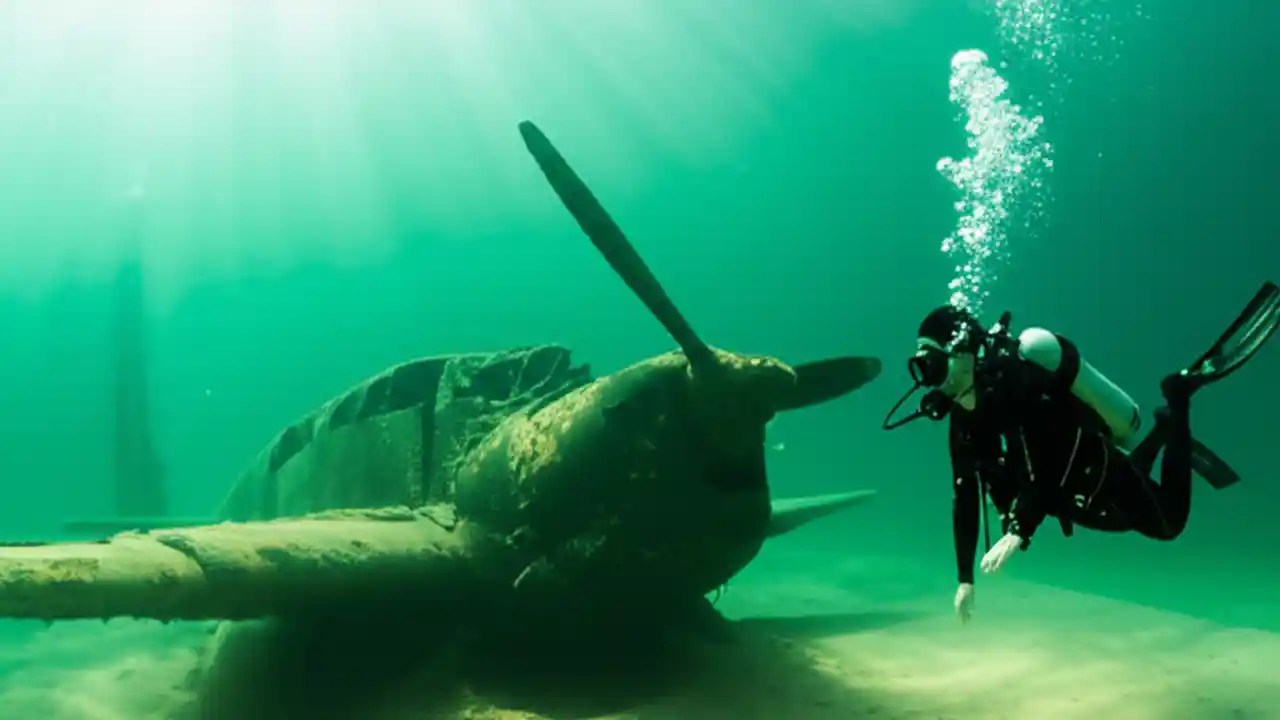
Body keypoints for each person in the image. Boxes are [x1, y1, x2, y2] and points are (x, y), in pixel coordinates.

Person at [881, 281, 1280, 623]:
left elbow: (1050, 455)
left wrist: (1021, 528)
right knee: (1134, 505)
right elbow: (965, 493)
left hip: (1100, 474)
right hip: (1071, 499)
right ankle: (1160, 430)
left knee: (1168, 525)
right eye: (921, 367)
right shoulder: (963, 420)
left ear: (962, 352)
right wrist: (964, 578)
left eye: (930, 364)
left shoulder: (1019, 382)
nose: (926, 380)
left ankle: (1179, 400)